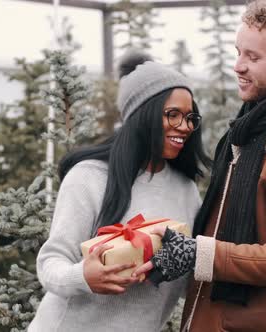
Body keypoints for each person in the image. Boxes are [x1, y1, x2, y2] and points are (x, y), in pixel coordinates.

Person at [132, 0, 266, 331]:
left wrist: (198, 253)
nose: (238, 66)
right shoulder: (248, 131)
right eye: (238, 52)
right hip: (213, 314)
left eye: (253, 57)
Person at [27, 51, 212, 331]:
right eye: (172, 114)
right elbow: (50, 263)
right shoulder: (89, 177)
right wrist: (83, 277)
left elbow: (188, 286)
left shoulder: (185, 191)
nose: (184, 127)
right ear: (143, 116)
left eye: (189, 118)